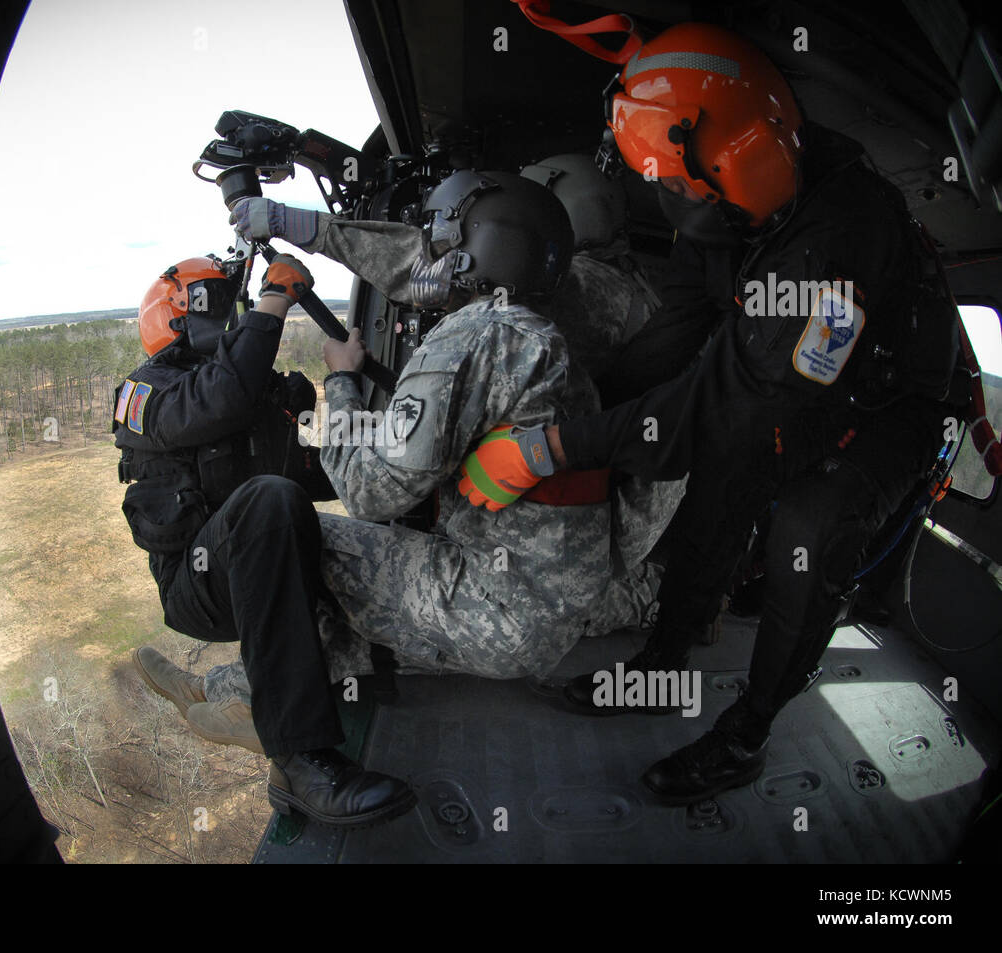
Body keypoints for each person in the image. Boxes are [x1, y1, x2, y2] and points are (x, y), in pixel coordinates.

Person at [457, 23, 965, 804]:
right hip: (785, 380)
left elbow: (706, 411)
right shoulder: (720, 207)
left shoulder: (835, 239)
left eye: (686, 187)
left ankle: (744, 738)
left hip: (894, 404)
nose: (677, 199)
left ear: (737, 158)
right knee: (720, 475)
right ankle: (661, 673)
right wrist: (579, 408)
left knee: (807, 523)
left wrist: (546, 449)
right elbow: (666, 348)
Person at [188, 169, 684, 716]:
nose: (429, 259)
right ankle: (245, 689)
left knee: (293, 533)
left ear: (474, 251)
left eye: (441, 242)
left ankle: (249, 699)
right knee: (371, 576)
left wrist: (342, 382)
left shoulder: (477, 335)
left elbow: (367, 492)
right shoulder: (558, 323)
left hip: (498, 609)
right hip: (564, 597)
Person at [116, 252, 415, 828]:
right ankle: (299, 761)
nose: (229, 320)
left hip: (264, 568)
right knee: (271, 499)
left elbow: (320, 471)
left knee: (322, 520)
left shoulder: (252, 397)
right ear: (180, 315)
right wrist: (274, 299)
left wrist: (361, 405)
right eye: (219, 306)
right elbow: (218, 399)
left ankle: (255, 704)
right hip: (199, 588)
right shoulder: (148, 394)